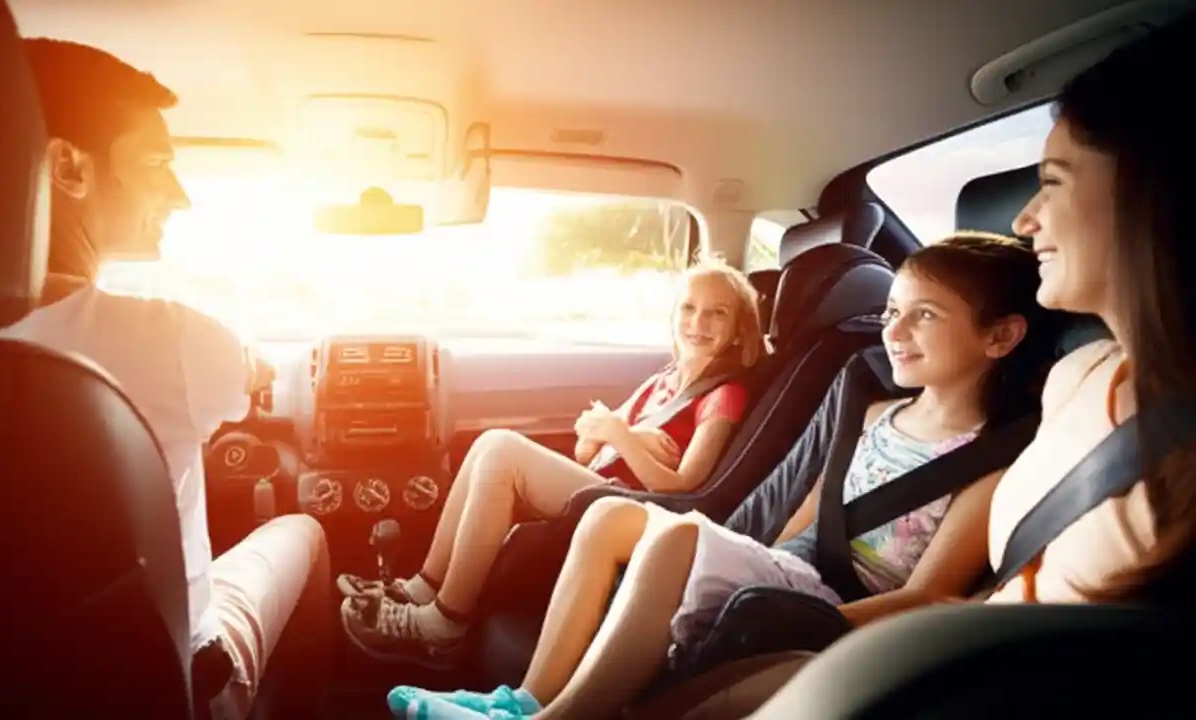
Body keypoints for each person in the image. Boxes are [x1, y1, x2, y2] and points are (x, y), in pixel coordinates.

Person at [646, 16, 1196, 718]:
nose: (1025, 221)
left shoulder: (1167, 445)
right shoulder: (1077, 377)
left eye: (1053, 184)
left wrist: (824, 634)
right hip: (929, 658)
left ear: (1151, 196)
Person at [386, 232, 1058, 719]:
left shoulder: (991, 467)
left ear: (999, 338)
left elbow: (928, 594)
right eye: (891, 313)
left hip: (836, 608)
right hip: (790, 571)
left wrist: (809, 625)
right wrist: (758, 559)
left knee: (674, 537)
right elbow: (813, 512)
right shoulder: (876, 411)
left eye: (925, 315)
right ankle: (523, 699)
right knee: (606, 515)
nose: (896, 331)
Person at [0, 38, 331, 719]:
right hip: (168, 692)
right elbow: (251, 372)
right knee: (304, 534)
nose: (179, 195)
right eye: (157, 164)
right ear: (67, 166)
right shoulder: (175, 341)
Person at [339, 256, 767, 666]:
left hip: (635, 510)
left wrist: (619, 434)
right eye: (689, 308)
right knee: (490, 443)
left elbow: (685, 487)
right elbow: (586, 444)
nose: (697, 323)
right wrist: (631, 436)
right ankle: (421, 587)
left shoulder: (723, 395)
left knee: (504, 450)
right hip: (605, 484)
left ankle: (446, 622)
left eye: (717, 314)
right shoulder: (664, 380)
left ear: (737, 331)